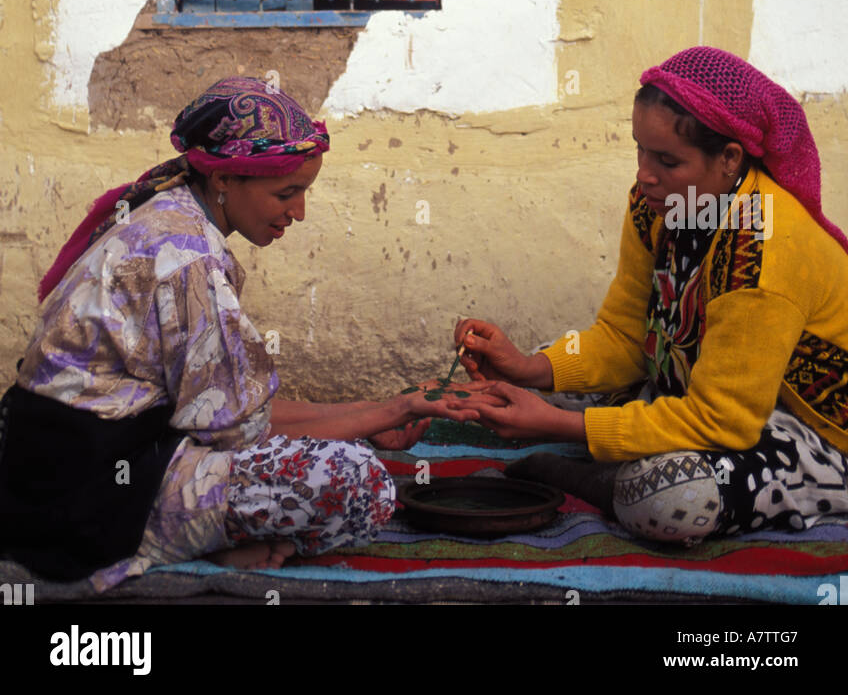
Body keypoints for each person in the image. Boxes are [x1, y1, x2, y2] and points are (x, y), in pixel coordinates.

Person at [0, 76, 479, 589]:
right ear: (225, 179)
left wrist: (389, 409)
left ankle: (207, 540)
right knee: (355, 480)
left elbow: (236, 410)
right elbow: (243, 433)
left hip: (51, 462)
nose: (298, 212)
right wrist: (378, 416)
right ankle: (149, 544)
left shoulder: (167, 213)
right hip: (89, 491)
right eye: (286, 193)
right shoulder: (189, 258)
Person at [454, 47, 848, 543]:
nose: (645, 173)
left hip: (811, 434)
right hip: (711, 399)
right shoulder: (656, 206)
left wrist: (557, 425)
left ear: (729, 159)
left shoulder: (764, 246)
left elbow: (722, 420)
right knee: (573, 391)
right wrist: (528, 369)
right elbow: (625, 336)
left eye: (667, 160)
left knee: (672, 499)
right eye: (640, 149)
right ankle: (612, 460)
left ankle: (605, 481)